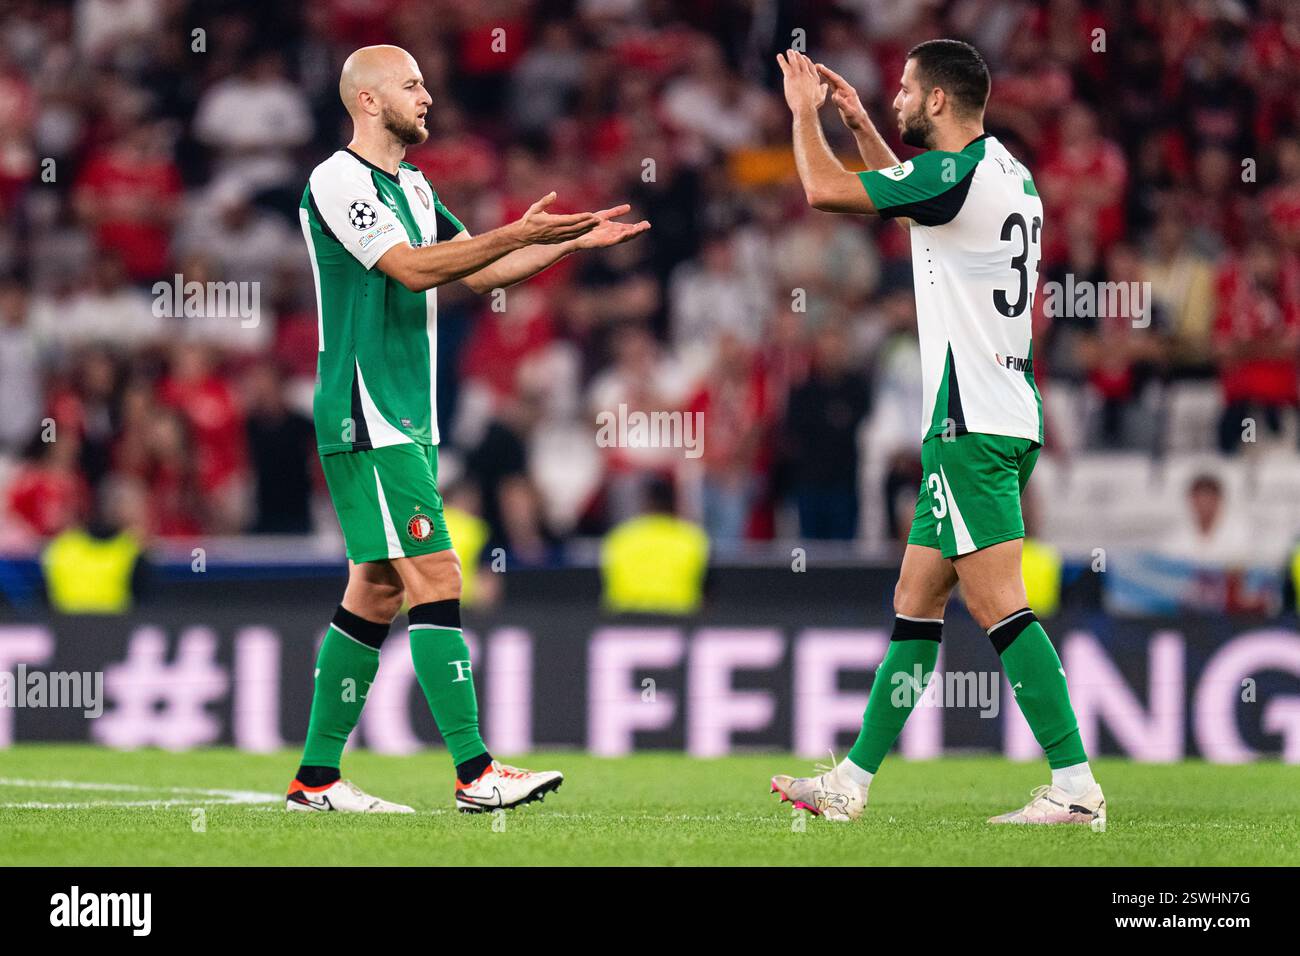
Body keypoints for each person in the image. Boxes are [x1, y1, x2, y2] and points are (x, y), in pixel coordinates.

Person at [288, 44, 648, 814]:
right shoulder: (337, 179)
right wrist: (517, 235)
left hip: (404, 412)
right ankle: (475, 773)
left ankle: (315, 781)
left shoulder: (414, 184)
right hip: (365, 408)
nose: (427, 95)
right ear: (368, 101)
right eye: (411, 85)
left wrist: (563, 245)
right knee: (440, 576)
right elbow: (414, 270)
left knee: (378, 588)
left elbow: (474, 270)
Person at [769, 42, 1104, 828]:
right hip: (997, 412)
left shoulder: (958, 180)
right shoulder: (1000, 174)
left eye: (905, 90)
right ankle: (851, 782)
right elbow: (920, 204)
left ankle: (1076, 785)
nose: (894, 98)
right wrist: (857, 125)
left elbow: (823, 191)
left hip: (971, 422)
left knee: (1000, 607)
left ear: (940, 103)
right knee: (916, 602)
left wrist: (805, 116)